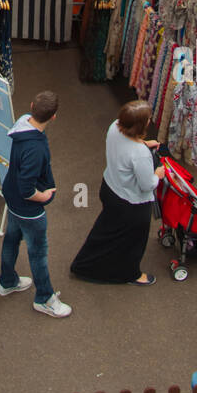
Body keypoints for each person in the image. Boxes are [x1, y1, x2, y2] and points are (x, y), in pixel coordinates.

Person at [70, 100, 164, 286]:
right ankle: (131, 274)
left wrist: (145, 144)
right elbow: (147, 185)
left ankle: (85, 264)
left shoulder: (115, 127)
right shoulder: (140, 154)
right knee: (132, 242)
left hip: (110, 188)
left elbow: (128, 142)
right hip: (131, 203)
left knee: (105, 231)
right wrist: (157, 175)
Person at [0, 91, 71, 317]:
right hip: (28, 209)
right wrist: (45, 196)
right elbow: (27, 189)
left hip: (12, 199)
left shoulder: (21, 126)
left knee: (11, 238)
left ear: (31, 107)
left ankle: (8, 280)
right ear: (54, 117)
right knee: (38, 253)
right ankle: (44, 298)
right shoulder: (36, 148)